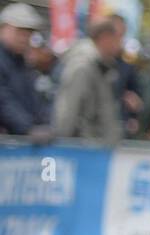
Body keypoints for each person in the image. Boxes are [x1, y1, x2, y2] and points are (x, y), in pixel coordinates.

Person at [52, 16, 123, 142]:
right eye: (118, 38)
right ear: (105, 37)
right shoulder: (82, 66)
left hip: (96, 149)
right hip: (82, 150)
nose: (120, 44)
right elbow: (68, 110)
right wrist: (62, 145)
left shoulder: (102, 66)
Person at [0, 2, 50, 137]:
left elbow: (34, 99)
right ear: (3, 28)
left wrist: (44, 124)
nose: (24, 37)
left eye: (28, 33)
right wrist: (27, 128)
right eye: (19, 31)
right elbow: (3, 100)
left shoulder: (22, 63)